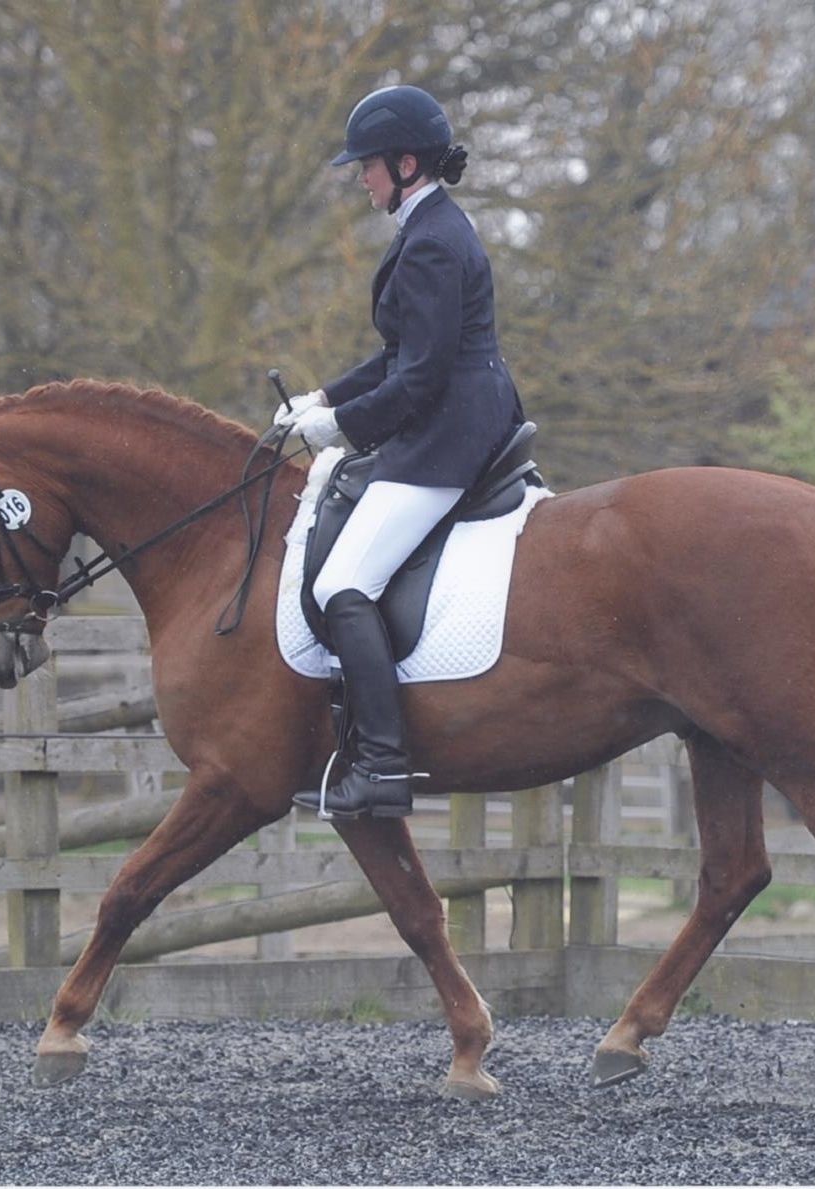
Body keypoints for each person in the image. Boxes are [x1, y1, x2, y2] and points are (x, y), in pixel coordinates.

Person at [281, 83, 526, 820]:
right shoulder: (431, 229)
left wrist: (340, 426)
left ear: (406, 164)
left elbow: (419, 378)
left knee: (342, 585)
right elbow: (401, 353)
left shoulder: (431, 245)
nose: (362, 177)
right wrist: (324, 397)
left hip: (448, 434)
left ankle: (382, 766)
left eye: (368, 165)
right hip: (453, 417)